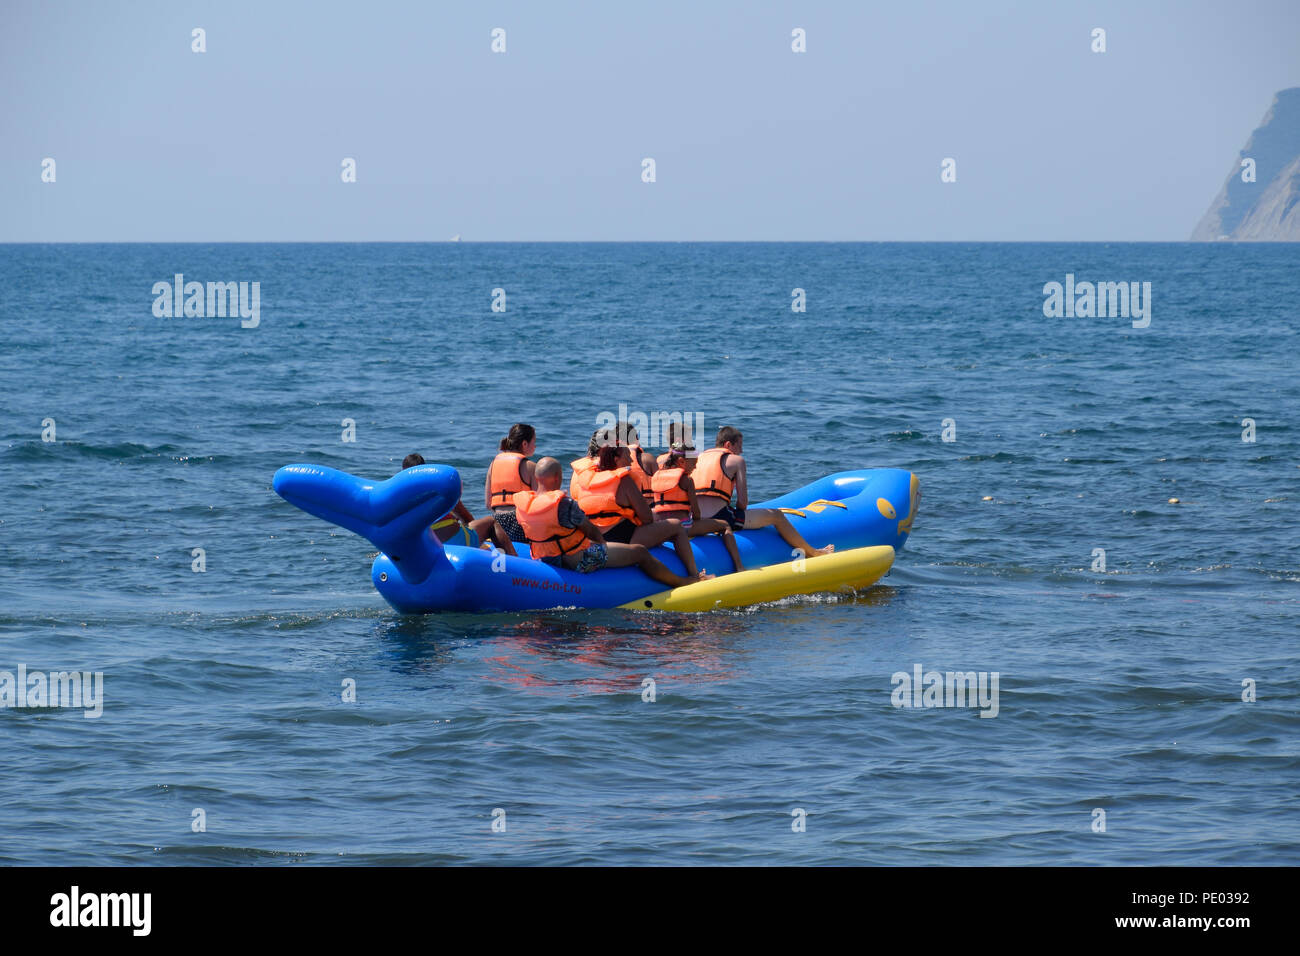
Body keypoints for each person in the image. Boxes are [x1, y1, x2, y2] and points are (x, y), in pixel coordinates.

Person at [513, 458, 710, 587]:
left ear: (536, 478)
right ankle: (683, 582)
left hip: (545, 558)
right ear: (557, 477)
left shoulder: (522, 504)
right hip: (576, 559)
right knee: (640, 552)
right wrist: (602, 544)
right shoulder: (562, 503)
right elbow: (590, 530)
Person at [693, 426, 834, 558]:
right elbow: (742, 502)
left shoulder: (697, 459)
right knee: (777, 516)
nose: (741, 451)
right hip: (720, 517)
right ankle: (813, 552)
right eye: (739, 446)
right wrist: (740, 514)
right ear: (728, 445)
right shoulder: (736, 461)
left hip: (694, 518)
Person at [574, 445, 707, 578]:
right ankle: (694, 574)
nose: (631, 461)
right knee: (677, 526)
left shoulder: (586, 481)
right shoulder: (624, 480)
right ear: (616, 459)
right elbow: (647, 518)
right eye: (627, 456)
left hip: (595, 539)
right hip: (622, 539)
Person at [651, 444, 745, 572]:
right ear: (682, 461)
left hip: (660, 525)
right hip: (682, 526)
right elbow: (696, 512)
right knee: (725, 525)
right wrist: (696, 519)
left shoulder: (657, 475)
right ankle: (739, 566)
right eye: (693, 463)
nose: (695, 467)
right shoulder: (687, 480)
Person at [401, 453, 515, 554]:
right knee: (491, 523)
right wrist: (480, 544)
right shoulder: (439, 490)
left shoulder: (399, 498)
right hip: (454, 542)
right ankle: (513, 567)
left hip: (423, 548)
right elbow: (467, 519)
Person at [484, 424, 538, 546]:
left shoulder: (493, 464)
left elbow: (488, 503)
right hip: (519, 524)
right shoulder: (530, 466)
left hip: (496, 522)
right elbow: (539, 505)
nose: (535, 446)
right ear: (524, 444)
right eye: (534, 442)